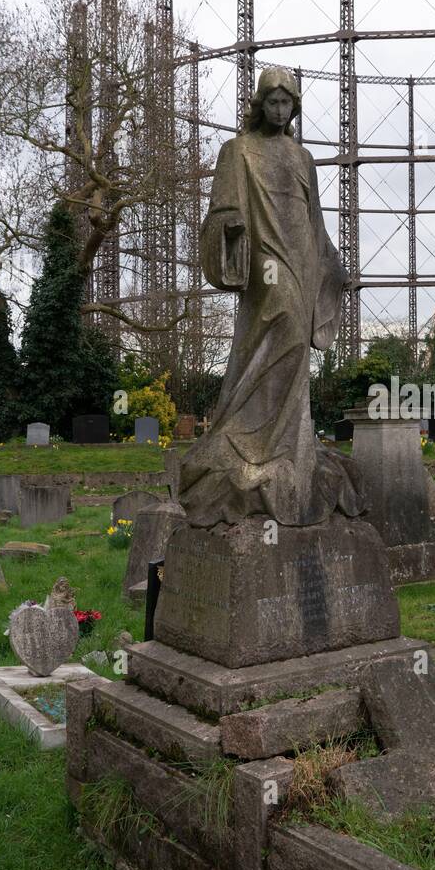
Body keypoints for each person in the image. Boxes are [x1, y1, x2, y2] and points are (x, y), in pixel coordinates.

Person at [178, 66, 364, 528]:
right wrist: (230, 228)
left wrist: (330, 263)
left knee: (298, 343)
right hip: (264, 259)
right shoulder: (237, 150)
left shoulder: (302, 159)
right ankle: (246, 439)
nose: (280, 110)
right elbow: (221, 210)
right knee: (283, 325)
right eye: (273, 102)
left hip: (302, 254)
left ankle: (287, 447)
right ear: (260, 104)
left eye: (288, 103)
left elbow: (314, 218)